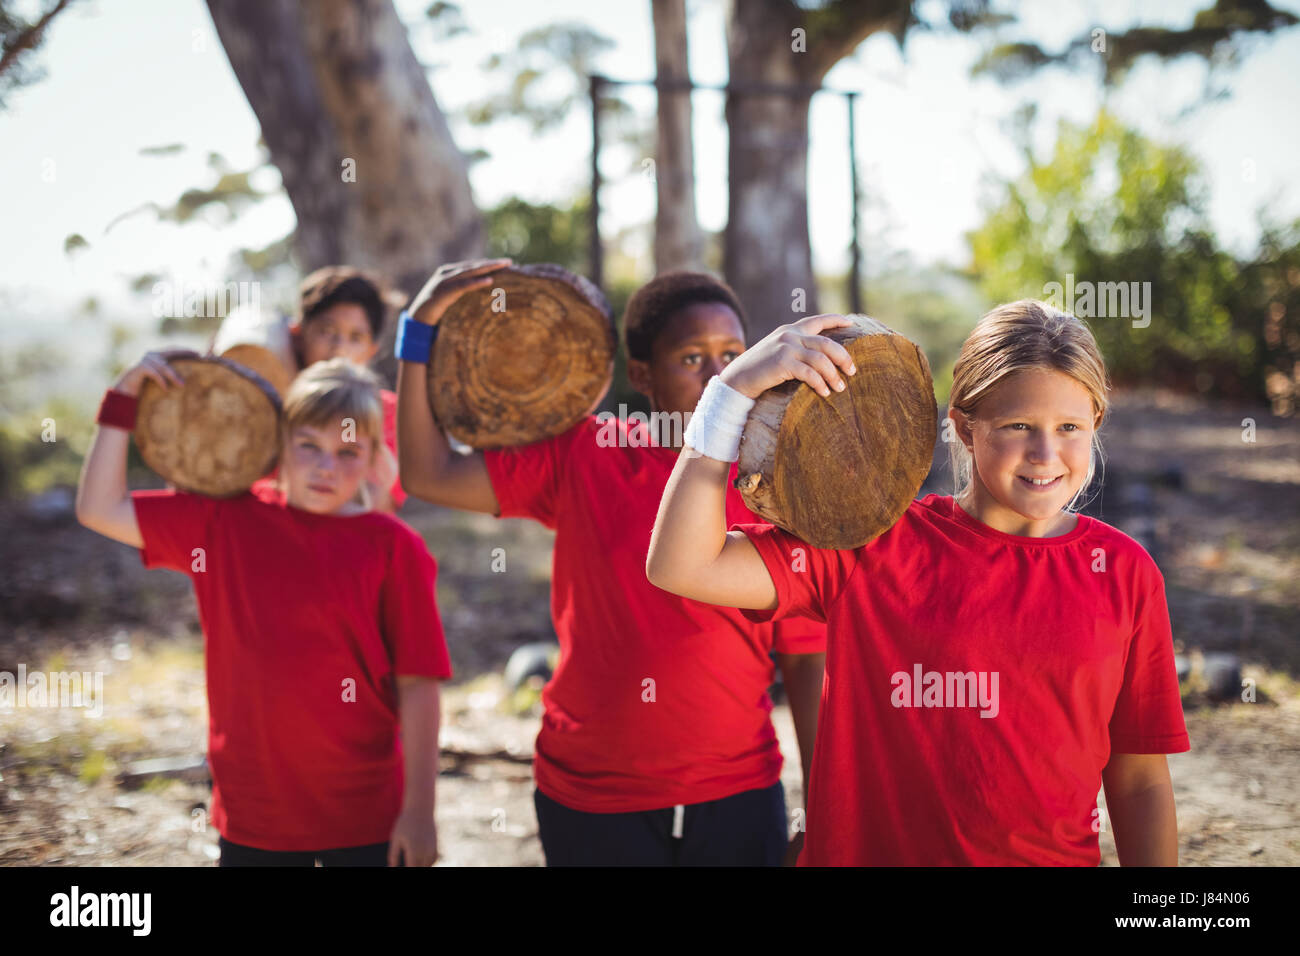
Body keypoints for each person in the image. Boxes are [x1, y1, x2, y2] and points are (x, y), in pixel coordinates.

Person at [647, 301, 1190, 866]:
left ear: (1095, 424)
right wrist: (728, 396)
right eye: (1018, 426)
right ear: (964, 428)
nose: (1045, 454)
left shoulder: (1125, 573)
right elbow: (683, 565)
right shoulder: (874, 544)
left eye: (1070, 427)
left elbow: (1140, 776)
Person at [396, 260, 827, 866]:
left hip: (736, 793)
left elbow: (806, 660)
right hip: (591, 796)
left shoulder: (775, 484)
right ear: (642, 376)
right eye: (691, 358)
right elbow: (427, 472)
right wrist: (417, 330)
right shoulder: (589, 455)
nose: (717, 372)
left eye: (732, 353)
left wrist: (823, 809)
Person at [76, 355, 451, 866]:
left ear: (373, 460)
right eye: (309, 446)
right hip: (256, 812)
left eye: (347, 452)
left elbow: (418, 685)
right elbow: (98, 508)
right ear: (279, 444)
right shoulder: (223, 522)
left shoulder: (393, 547)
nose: (326, 466)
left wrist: (420, 811)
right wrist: (122, 396)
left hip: (366, 811)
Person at [250, 266, 406, 513]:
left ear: (371, 350)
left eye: (355, 337)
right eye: (326, 332)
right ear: (298, 335)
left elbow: (379, 511)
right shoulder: (264, 404)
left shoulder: (386, 414)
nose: (338, 348)